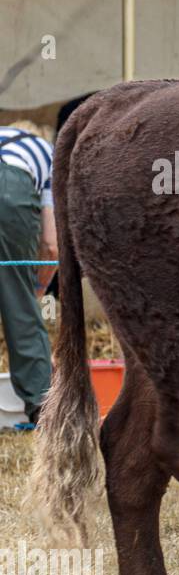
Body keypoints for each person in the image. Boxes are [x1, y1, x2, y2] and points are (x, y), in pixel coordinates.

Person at [0, 120, 56, 425]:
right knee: (19, 306)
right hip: (8, 191)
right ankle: (43, 407)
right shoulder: (46, 152)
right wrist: (34, 292)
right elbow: (50, 246)